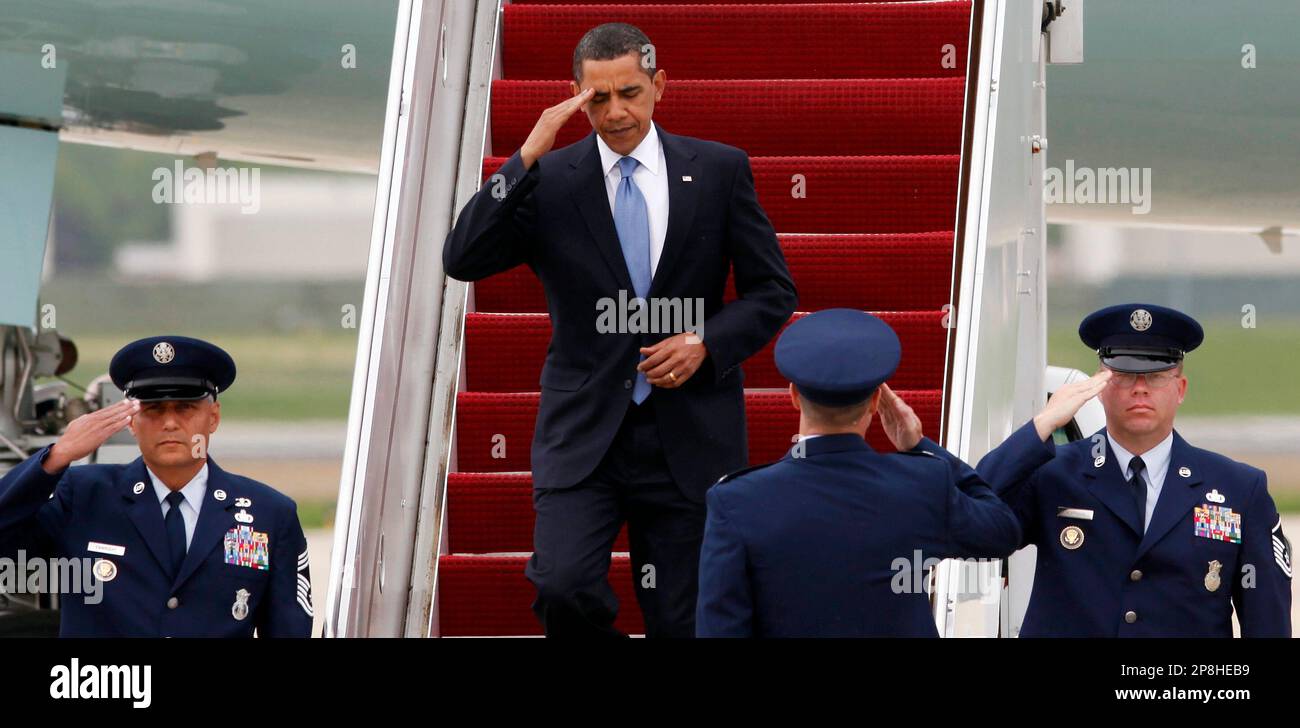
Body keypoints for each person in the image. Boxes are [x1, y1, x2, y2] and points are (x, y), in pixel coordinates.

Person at [443, 22, 797, 637]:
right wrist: (526, 154)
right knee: (562, 586)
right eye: (598, 98)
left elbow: (773, 292)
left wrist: (706, 343)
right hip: (585, 436)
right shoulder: (549, 181)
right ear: (577, 96)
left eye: (630, 92)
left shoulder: (717, 170)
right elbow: (462, 257)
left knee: (685, 617)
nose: (615, 112)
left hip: (690, 435)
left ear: (659, 86)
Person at [695, 309, 1022, 637]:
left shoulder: (736, 502)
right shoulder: (923, 484)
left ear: (793, 396)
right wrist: (919, 444)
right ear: (875, 401)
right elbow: (1002, 531)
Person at [978, 303, 1292, 637]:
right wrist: (1041, 426)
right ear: (1101, 387)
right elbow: (972, 514)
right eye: (1125, 374)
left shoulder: (1239, 489)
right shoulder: (1053, 474)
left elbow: (1267, 621)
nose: (1140, 388)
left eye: (1156, 376)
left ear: (1180, 389)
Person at [0, 335, 313, 637]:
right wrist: (56, 456)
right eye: (154, 409)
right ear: (132, 421)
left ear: (213, 418)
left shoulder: (269, 514)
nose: (170, 423)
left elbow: (288, 629)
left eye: (185, 407)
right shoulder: (85, 495)